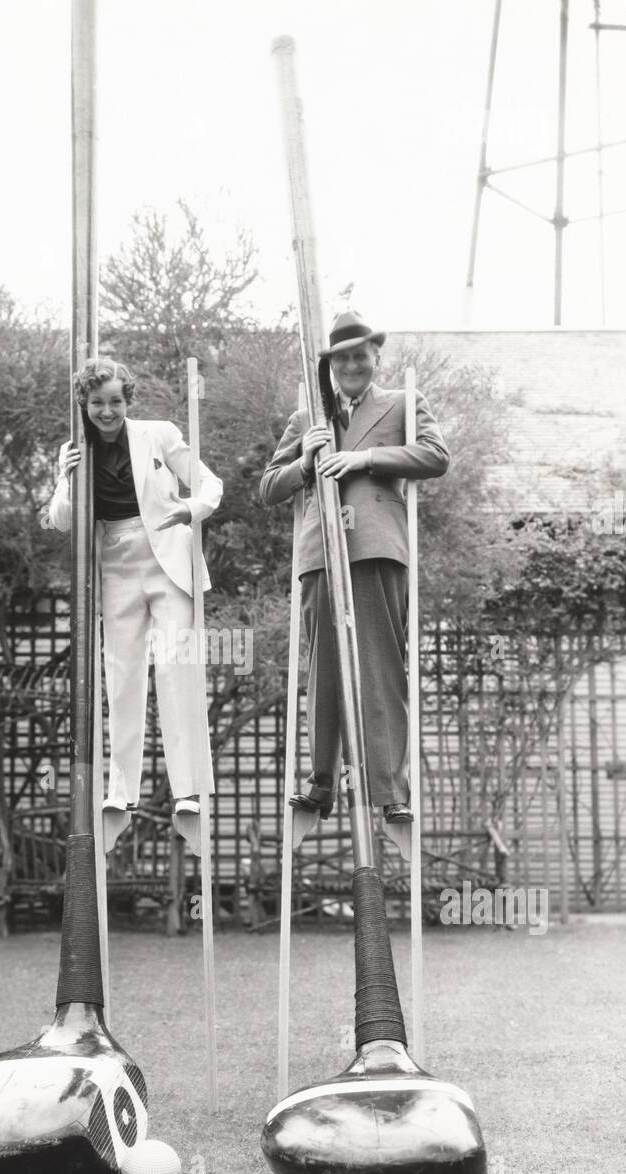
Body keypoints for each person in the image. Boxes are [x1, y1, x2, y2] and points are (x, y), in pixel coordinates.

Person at [259, 311, 449, 834]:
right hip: (320, 550)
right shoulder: (307, 418)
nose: (351, 366)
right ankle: (320, 785)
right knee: (324, 667)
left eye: (360, 356)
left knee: (381, 666)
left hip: (376, 545)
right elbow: (268, 487)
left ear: (376, 357)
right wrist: (305, 462)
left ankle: (389, 792)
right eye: (341, 358)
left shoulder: (403, 403)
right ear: (330, 364)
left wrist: (365, 459)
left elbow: (436, 456)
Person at [49, 357, 223, 837]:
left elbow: (210, 483)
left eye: (115, 401)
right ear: (84, 404)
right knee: (121, 676)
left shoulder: (159, 434)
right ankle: (121, 790)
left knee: (175, 671)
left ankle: (187, 791)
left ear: (128, 400)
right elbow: (61, 521)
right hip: (116, 563)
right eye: (97, 403)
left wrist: (190, 509)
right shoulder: (74, 449)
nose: (107, 412)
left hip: (169, 560)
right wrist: (66, 476)